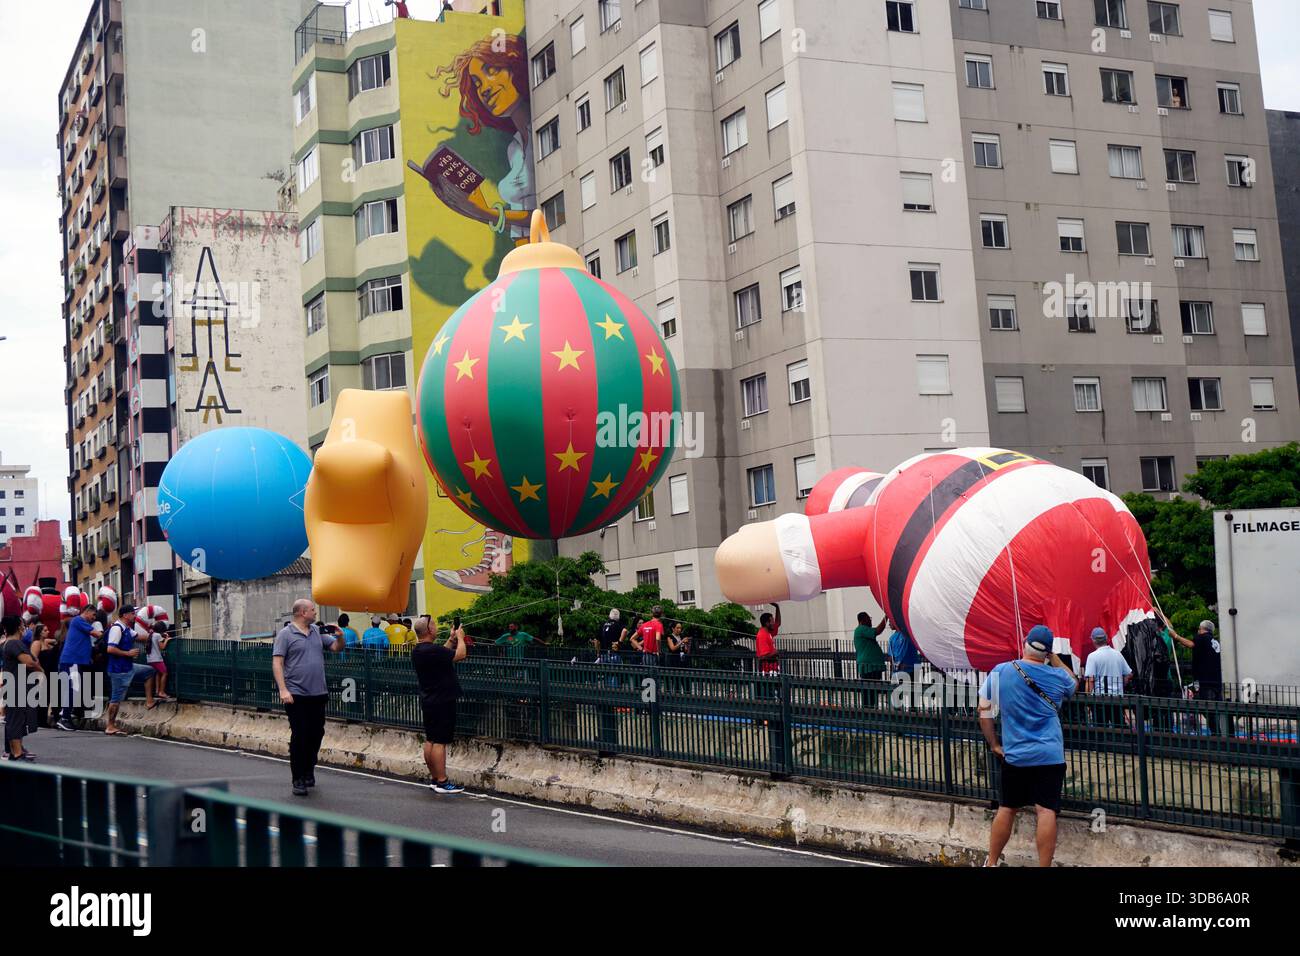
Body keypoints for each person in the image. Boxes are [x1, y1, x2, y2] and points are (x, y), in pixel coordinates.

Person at [978, 624, 1077, 867]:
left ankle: (991, 862)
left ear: (1024, 644)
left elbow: (984, 711)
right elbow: (1074, 682)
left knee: (1007, 808)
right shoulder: (1057, 677)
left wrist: (994, 744)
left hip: (1016, 755)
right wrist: (1053, 658)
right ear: (1047, 653)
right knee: (1046, 811)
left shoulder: (1002, 671)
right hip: (1050, 755)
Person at [271, 599, 345, 796]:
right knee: (300, 735)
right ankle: (298, 778)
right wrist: (283, 690)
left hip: (318, 692)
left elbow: (336, 649)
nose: (315, 612)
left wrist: (340, 637)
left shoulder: (316, 632)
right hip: (296, 694)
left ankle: (309, 768)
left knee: (316, 733)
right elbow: (278, 662)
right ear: (303, 613)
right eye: (313, 610)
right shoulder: (286, 635)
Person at [411, 617, 467, 794]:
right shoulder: (431, 650)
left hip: (429, 699)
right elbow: (460, 655)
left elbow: (443, 653)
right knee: (440, 741)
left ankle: (435, 778)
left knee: (431, 739)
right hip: (442, 699)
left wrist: (451, 639)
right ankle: (442, 781)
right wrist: (461, 638)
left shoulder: (420, 650)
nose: (436, 627)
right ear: (429, 630)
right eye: (433, 625)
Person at [104, 606, 156, 735]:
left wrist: (155, 635)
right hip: (118, 670)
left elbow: (140, 637)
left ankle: (149, 701)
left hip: (128, 667)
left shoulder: (127, 629)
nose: (135, 616)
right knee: (115, 699)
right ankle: (110, 725)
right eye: (133, 614)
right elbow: (110, 649)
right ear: (125, 615)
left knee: (149, 671)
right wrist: (128, 653)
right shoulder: (117, 629)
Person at [2, 615, 40, 760]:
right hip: (16, 686)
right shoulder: (14, 644)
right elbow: (30, 662)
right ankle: (17, 753)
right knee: (15, 720)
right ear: (18, 627)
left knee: (18, 719)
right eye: (22, 625)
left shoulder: (13, 643)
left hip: (17, 685)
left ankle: (15, 752)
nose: (24, 627)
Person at [56, 601, 98, 731]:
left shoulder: (79, 623)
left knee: (72, 688)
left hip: (73, 661)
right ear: (88, 611)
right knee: (73, 688)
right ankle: (65, 718)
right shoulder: (79, 620)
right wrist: (107, 634)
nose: (94, 618)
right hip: (72, 660)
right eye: (94, 615)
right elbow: (96, 634)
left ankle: (65, 714)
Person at [1083, 628, 1132, 697]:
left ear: (1093, 640)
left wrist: (1089, 701)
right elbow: (1129, 674)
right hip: (1118, 699)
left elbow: (1090, 680)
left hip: (1100, 699)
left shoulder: (1092, 657)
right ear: (1106, 638)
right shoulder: (1118, 654)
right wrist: (1120, 685)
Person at [854, 612, 890, 680]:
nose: (870, 620)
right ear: (862, 621)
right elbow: (877, 631)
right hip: (869, 667)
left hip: (872, 666)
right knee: (872, 687)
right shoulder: (861, 629)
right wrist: (886, 617)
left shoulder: (862, 630)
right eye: (868, 619)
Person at [147, 621, 173, 702]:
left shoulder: (151, 634)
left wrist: (164, 637)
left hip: (150, 659)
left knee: (158, 673)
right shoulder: (158, 635)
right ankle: (161, 692)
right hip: (157, 659)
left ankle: (157, 691)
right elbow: (162, 647)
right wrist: (167, 640)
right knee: (165, 673)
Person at [755, 603, 780, 675]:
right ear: (767, 623)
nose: (774, 623)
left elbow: (778, 623)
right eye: (772, 621)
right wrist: (775, 653)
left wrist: (777, 607)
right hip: (767, 671)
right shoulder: (762, 635)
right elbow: (763, 657)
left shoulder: (769, 632)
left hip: (772, 669)